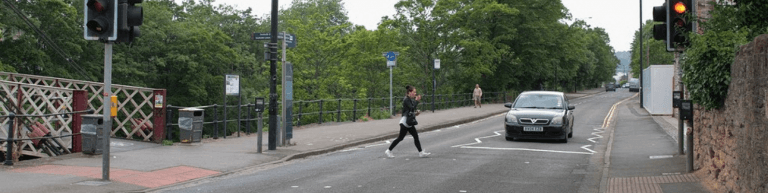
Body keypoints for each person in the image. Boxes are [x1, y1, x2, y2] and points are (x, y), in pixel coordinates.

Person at [385, 85, 431, 158]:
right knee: (400, 138)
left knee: (416, 136)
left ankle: (421, 152)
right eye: (414, 92)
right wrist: (416, 101)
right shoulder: (406, 100)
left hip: (409, 122)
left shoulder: (410, 100)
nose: (415, 93)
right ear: (410, 92)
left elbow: (410, 111)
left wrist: (416, 113)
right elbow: (411, 108)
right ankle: (388, 150)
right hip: (405, 122)